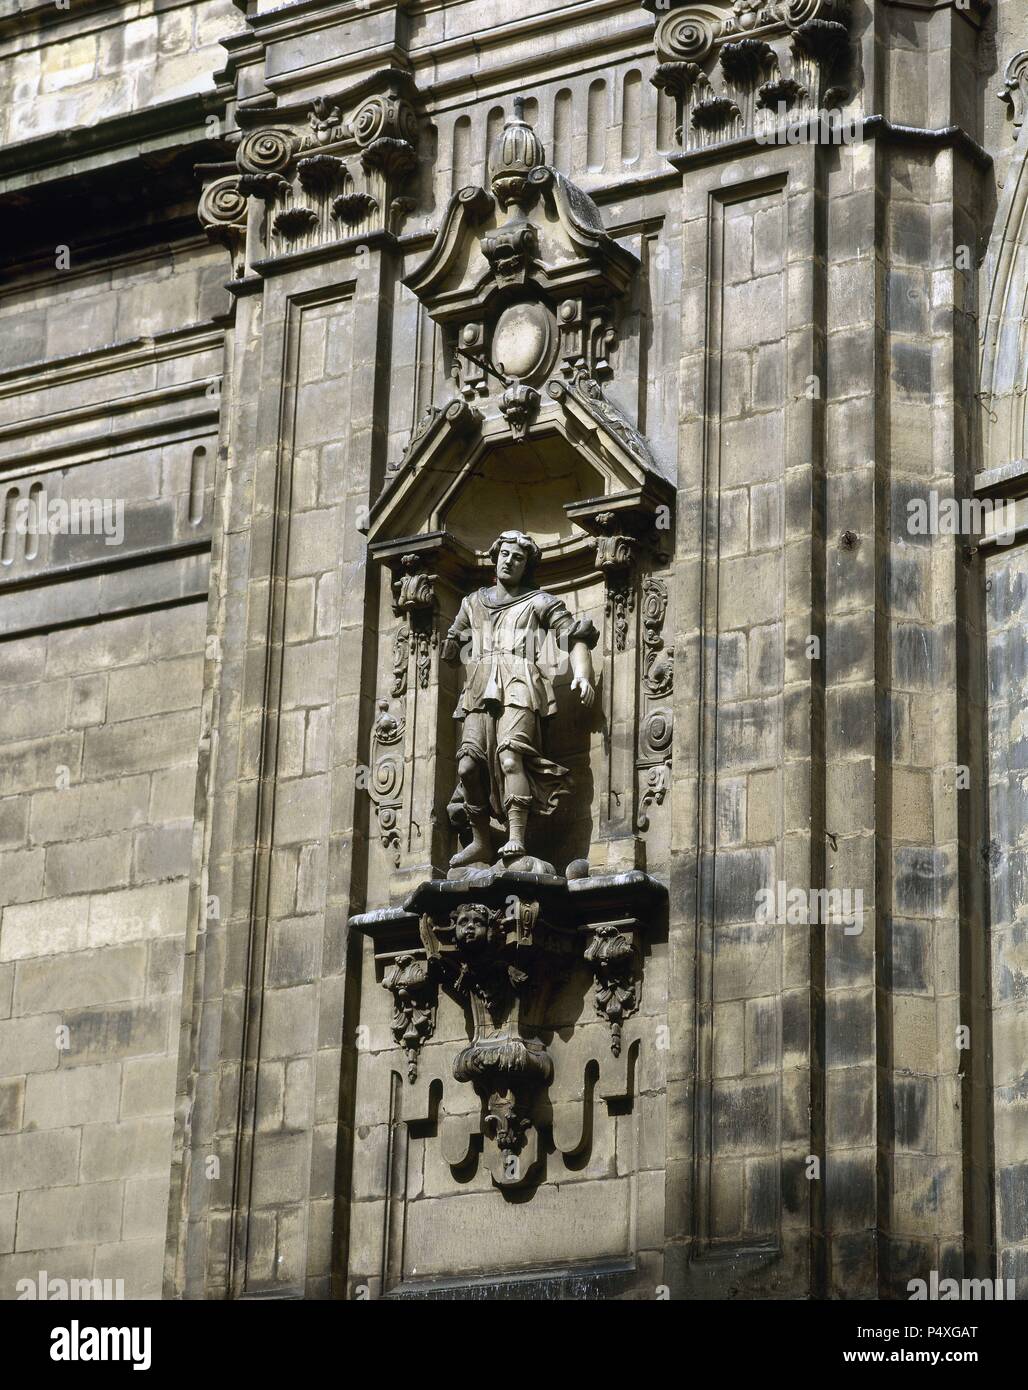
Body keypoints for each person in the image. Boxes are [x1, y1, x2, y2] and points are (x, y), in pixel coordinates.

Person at [441, 529, 598, 866]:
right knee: (468, 766)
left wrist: (583, 674)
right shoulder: (472, 602)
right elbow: (453, 647)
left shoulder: (539, 601)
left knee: (511, 757)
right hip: (480, 688)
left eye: (518, 557)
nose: (510, 561)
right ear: (495, 556)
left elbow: (573, 636)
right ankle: (481, 842)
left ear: (526, 565)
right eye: (505, 554)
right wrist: (452, 646)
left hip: (520, 683)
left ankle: (516, 837)